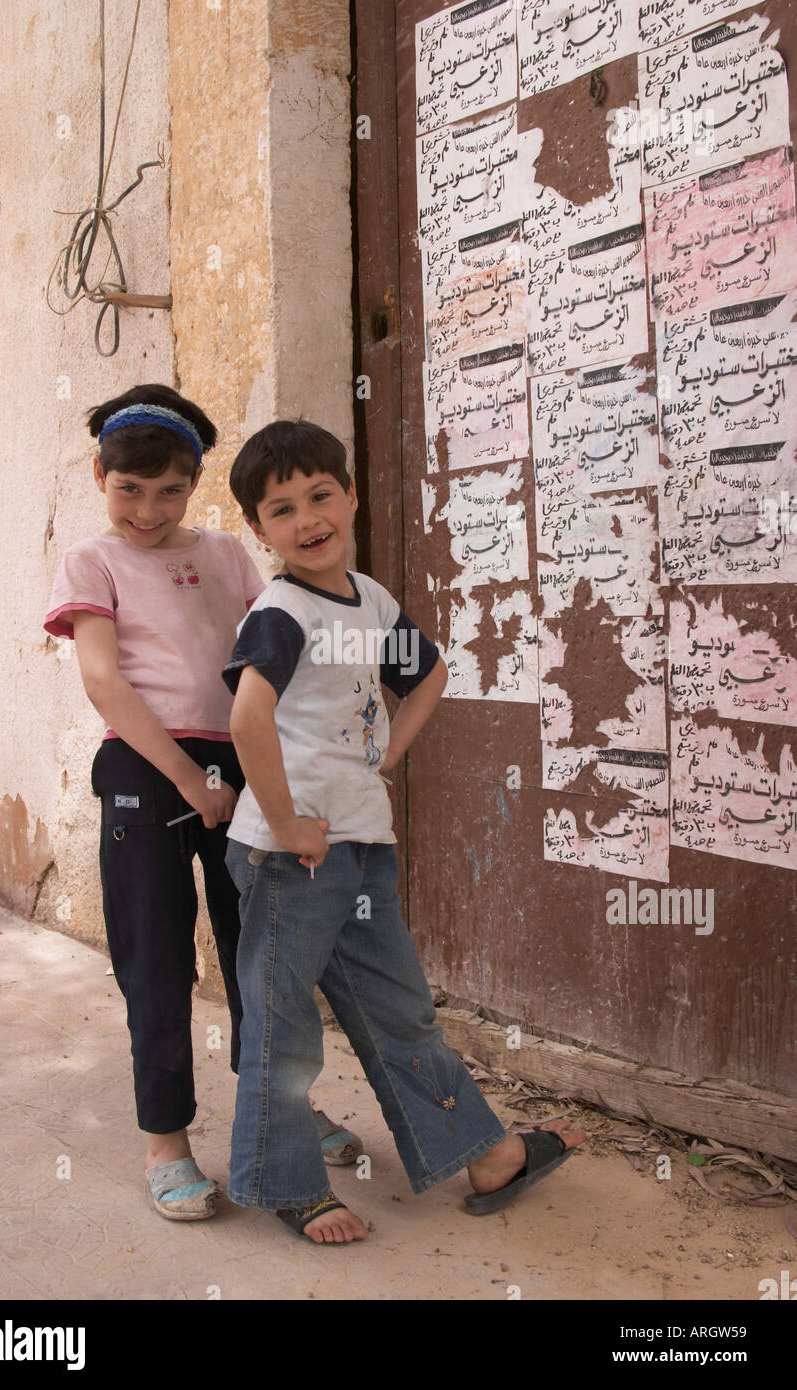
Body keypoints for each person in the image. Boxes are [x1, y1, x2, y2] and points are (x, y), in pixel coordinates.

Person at [222, 418, 585, 1243]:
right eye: (282, 509)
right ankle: (287, 1184)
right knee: (284, 1021)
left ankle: (482, 1154)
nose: (307, 518)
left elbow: (430, 676)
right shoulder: (280, 611)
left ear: (349, 496)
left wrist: (384, 752)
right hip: (289, 854)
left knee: (401, 1009)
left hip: (358, 845)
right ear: (257, 529)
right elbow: (248, 721)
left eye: (321, 496)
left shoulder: (370, 598)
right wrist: (285, 824)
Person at [42, 386, 362, 1221]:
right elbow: (104, 682)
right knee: (156, 961)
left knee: (264, 950)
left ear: (195, 484)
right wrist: (190, 783)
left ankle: (281, 1107)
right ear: (99, 475)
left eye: (169, 490)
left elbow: (269, 656)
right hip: (145, 773)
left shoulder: (226, 556)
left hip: (241, 765)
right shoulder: (91, 561)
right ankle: (167, 1144)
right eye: (128, 490)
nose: (147, 511)